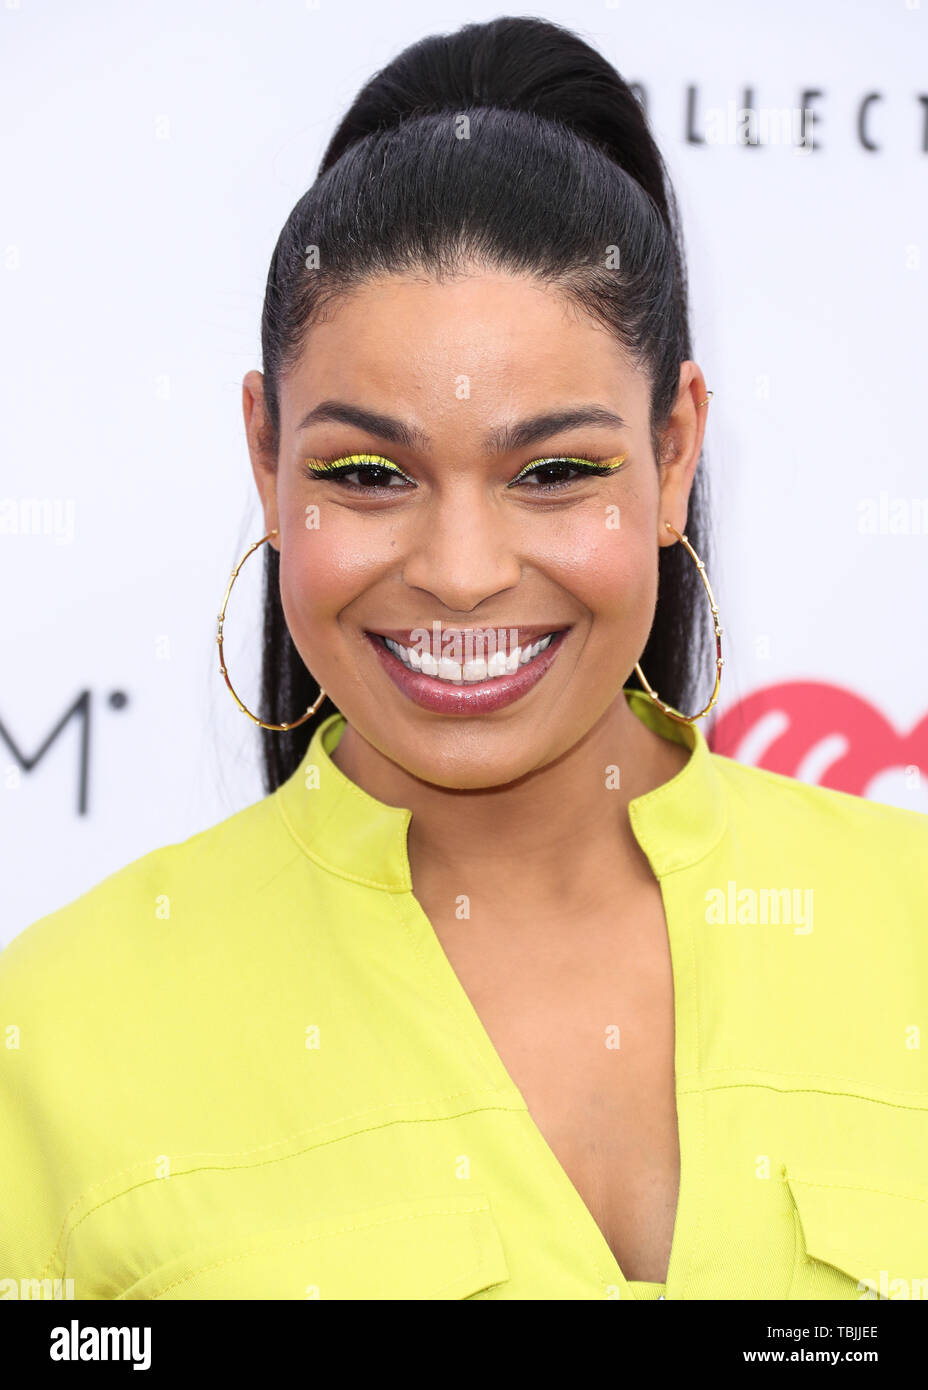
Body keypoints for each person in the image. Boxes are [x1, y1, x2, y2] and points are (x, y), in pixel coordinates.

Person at [2, 16, 926, 1303]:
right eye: (366, 473)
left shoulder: (908, 923)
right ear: (265, 457)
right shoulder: (57, 1031)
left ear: (673, 453)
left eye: (552, 471)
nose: (461, 564)